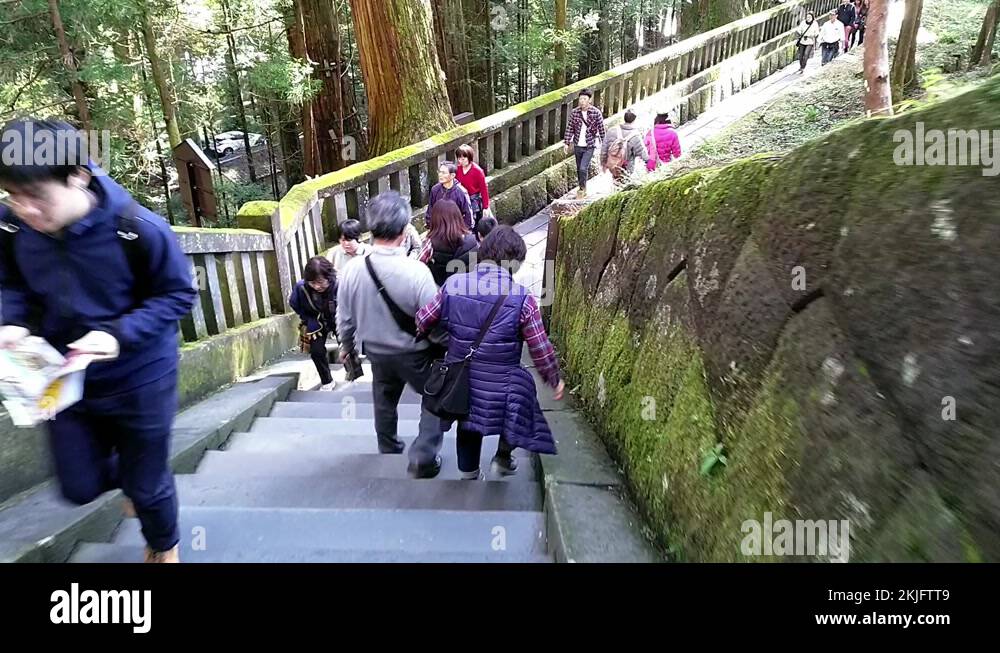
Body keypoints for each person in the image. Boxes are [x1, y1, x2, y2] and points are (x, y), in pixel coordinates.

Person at [0, 119, 198, 563]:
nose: (25, 209)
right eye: (13, 195)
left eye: (36, 197)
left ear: (79, 177)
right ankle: (136, 473)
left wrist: (117, 335)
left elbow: (179, 294)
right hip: (63, 378)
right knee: (78, 487)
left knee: (148, 485)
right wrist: (10, 322)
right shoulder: (11, 227)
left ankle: (164, 547)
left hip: (139, 375)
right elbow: (9, 283)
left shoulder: (139, 228)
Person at [415, 226, 565, 480]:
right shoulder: (522, 298)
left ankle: (469, 475)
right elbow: (539, 346)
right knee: (523, 396)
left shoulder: (454, 283)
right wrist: (553, 378)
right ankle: (504, 456)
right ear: (514, 263)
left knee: (468, 421)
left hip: (461, 380)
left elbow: (423, 320)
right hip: (503, 382)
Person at [336, 191, 446, 478]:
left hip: (375, 350)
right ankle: (423, 454)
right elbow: (435, 317)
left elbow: (345, 318)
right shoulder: (417, 272)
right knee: (436, 395)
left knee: (384, 399)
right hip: (414, 352)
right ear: (404, 229)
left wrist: (346, 347)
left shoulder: (351, 270)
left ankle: (387, 447)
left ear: (371, 229)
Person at [289, 257, 338, 390]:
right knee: (316, 351)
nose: (317, 286)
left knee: (348, 346)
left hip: (339, 319)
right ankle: (327, 381)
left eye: (320, 282)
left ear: (329, 277)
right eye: (313, 283)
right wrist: (307, 318)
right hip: (315, 322)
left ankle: (353, 374)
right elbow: (294, 303)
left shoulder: (339, 285)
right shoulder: (301, 288)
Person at [419, 199, 479, 286]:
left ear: (435, 220)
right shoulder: (473, 241)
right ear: (458, 217)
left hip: (441, 291)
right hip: (468, 290)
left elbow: (416, 267)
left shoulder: (429, 243)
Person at [562, 89, 607, 199]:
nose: (582, 101)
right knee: (579, 168)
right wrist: (567, 143)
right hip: (578, 144)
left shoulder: (596, 113)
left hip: (589, 145)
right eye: (580, 99)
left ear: (589, 100)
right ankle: (582, 187)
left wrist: (605, 145)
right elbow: (570, 128)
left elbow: (601, 130)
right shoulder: (575, 112)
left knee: (583, 168)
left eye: (584, 99)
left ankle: (582, 189)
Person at [600, 109, 650, 182]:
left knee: (616, 180)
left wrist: (603, 163)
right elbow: (642, 152)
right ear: (634, 120)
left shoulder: (612, 130)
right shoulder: (635, 136)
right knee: (624, 184)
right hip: (626, 166)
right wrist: (649, 162)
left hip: (613, 164)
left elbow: (604, 148)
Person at [427, 162, 474, 230]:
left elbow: (468, 215)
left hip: (456, 230)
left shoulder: (461, 192)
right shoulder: (435, 189)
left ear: (452, 175)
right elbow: (430, 210)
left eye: (444, 173)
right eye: (439, 172)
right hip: (439, 230)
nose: (440, 175)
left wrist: (462, 231)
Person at [455, 144, 491, 225]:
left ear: (469, 158)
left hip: (474, 201)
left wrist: (486, 207)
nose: (461, 161)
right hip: (461, 200)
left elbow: (484, 190)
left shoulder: (477, 171)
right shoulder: (457, 169)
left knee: (474, 223)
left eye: (463, 158)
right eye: (459, 158)